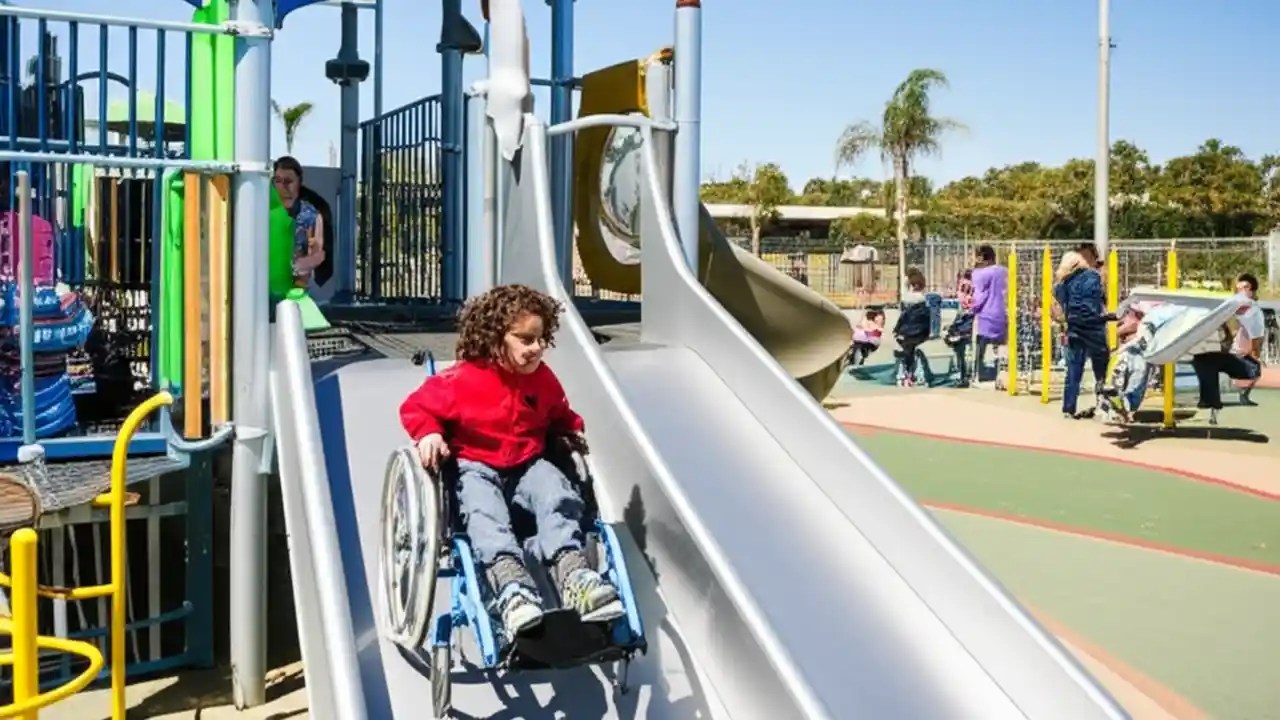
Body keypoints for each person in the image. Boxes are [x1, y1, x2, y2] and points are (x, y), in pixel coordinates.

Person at [398, 284, 624, 638]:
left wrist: (573, 431)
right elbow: (416, 408)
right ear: (494, 339)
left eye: (540, 339)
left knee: (555, 490)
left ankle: (574, 572)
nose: (536, 349)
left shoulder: (542, 379)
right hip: (475, 463)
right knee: (482, 507)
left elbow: (559, 414)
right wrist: (430, 433)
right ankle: (511, 586)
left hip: (526, 463)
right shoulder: (461, 380)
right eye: (525, 339)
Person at [1191, 273, 1265, 423]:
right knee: (1203, 359)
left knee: (1207, 361)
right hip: (1234, 357)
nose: (1240, 292)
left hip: (1247, 363)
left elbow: (1256, 341)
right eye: (1238, 289)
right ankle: (1212, 404)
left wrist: (1254, 357)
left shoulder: (1253, 312)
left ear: (1251, 289)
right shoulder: (1234, 310)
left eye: (1244, 288)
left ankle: (1217, 401)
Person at [1053, 250, 1110, 418]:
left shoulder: (1063, 284)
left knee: (1073, 371)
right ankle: (1103, 404)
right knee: (1102, 370)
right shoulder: (1093, 277)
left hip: (1075, 329)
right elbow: (1101, 299)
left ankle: (1068, 409)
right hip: (1094, 328)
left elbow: (1061, 306)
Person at [272, 156, 325, 288]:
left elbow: (317, 255)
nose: (284, 188)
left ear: (299, 183)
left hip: (296, 289)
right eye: (278, 181)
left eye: (289, 181)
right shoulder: (262, 213)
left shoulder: (311, 216)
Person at [969, 245, 1008, 382]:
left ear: (981, 257)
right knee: (1001, 346)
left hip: (985, 315)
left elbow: (979, 296)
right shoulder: (1004, 271)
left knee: (980, 346)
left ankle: (979, 373)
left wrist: (971, 307)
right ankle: (1002, 372)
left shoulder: (980, 274)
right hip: (1002, 313)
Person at [894, 268, 931, 387]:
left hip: (909, 334)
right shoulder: (924, 300)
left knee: (906, 348)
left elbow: (903, 319)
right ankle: (912, 373)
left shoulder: (908, 299)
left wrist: (897, 331)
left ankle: (906, 373)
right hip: (921, 333)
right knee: (910, 348)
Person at [944, 269, 975, 386]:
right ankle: (966, 374)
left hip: (963, 319)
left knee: (960, 349)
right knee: (967, 349)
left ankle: (962, 375)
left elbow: (961, 303)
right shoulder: (974, 286)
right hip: (969, 318)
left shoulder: (963, 285)